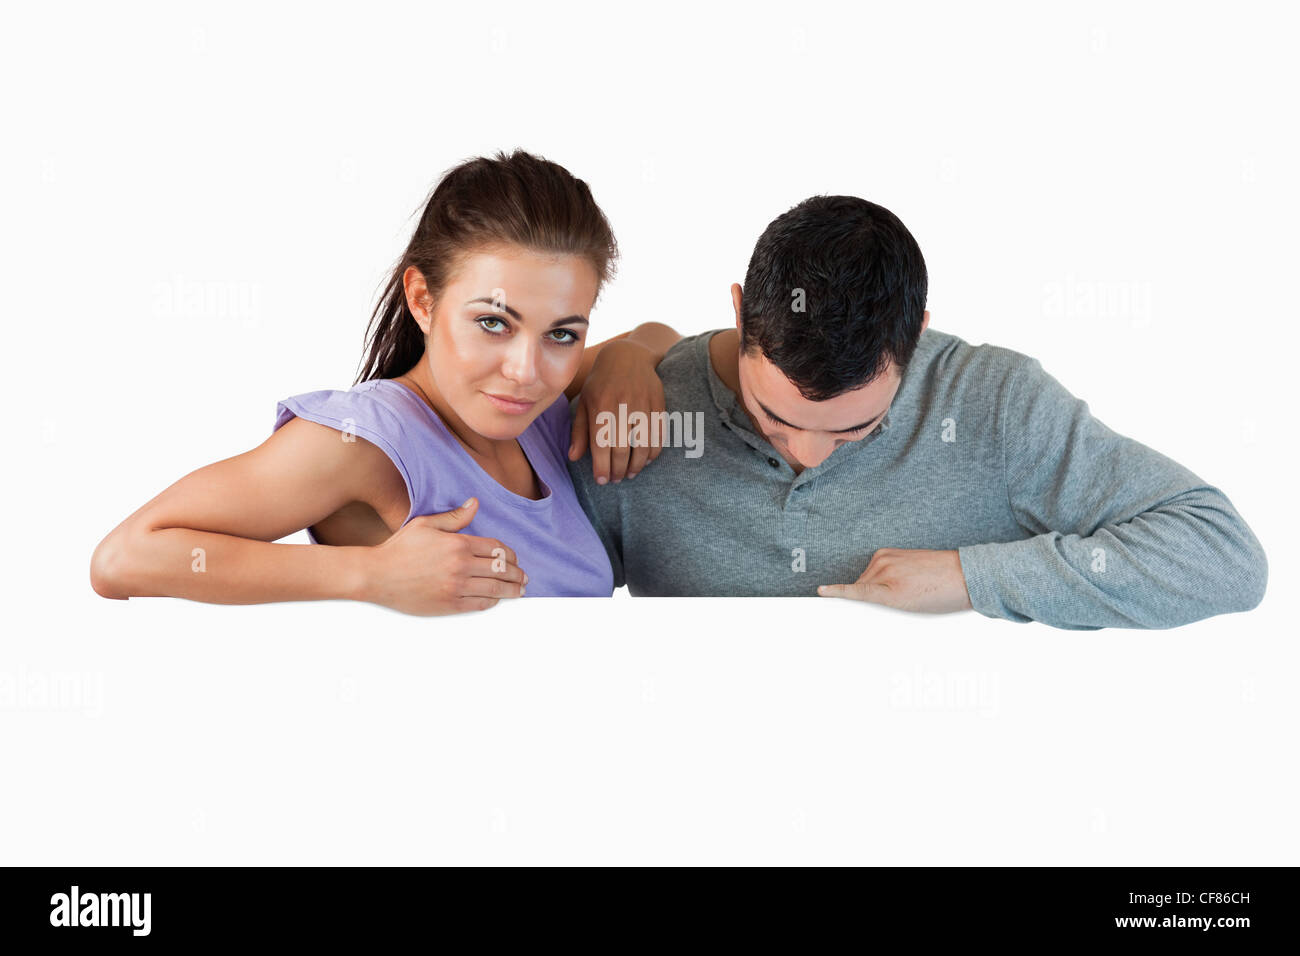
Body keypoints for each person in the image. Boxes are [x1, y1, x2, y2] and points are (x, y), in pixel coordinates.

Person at [567, 195, 1269, 630]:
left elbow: (1221, 556)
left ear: (917, 335)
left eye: (852, 429)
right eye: (772, 418)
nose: (806, 456)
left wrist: (974, 577)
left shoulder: (994, 406)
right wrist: (620, 354)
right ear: (739, 312)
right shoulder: (642, 410)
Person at [90, 150, 678, 616]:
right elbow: (124, 556)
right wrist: (369, 576)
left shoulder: (539, 416)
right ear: (422, 299)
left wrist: (624, 359)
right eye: (493, 323)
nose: (527, 371)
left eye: (563, 334)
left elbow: (662, 333)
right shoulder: (369, 442)